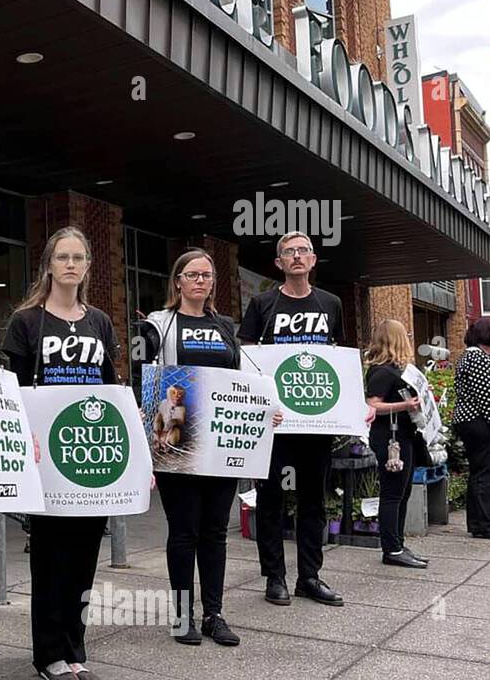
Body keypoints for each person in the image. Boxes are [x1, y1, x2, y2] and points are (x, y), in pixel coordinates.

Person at [140, 249, 282, 646]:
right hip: (178, 440)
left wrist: (262, 411)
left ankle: (214, 614)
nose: (201, 281)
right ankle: (182, 615)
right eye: (193, 275)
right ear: (178, 281)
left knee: (215, 531)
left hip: (221, 443)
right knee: (184, 531)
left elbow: (242, 381)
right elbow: (147, 381)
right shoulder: (159, 326)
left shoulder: (224, 327)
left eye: (207, 275)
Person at [4, 227, 120, 680]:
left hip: (89, 452)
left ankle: (76, 649)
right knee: (50, 556)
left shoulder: (100, 323)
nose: (71, 265)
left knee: (85, 557)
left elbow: (112, 388)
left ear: (87, 267)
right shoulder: (26, 322)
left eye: (79, 258)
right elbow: (10, 390)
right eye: (62, 257)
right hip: (46, 455)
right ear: (49, 265)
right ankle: (48, 654)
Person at [238, 232, 345, 608]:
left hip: (316, 423)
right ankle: (275, 577)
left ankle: (310, 577)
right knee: (270, 500)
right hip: (277, 423)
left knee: (314, 499)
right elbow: (248, 356)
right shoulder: (263, 303)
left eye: (303, 251)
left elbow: (338, 358)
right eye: (289, 252)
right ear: (279, 263)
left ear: (313, 261)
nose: (296, 257)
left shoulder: (330, 303)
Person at [363, 320, 427, 568]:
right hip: (391, 439)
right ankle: (392, 548)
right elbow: (373, 405)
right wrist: (405, 405)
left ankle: (397, 544)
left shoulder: (396, 370)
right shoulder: (382, 371)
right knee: (392, 493)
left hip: (403, 435)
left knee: (402, 492)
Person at [452, 316, 490, 539]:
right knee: (484, 471)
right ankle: (483, 524)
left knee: (479, 471)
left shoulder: (472, 355)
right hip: (477, 420)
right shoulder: (476, 356)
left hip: (470, 420)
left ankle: (478, 522)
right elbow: (485, 395)